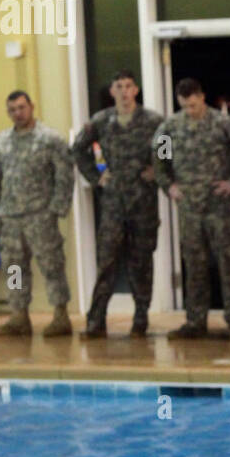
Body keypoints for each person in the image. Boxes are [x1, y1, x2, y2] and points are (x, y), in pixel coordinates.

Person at [152, 78, 230, 339]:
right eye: (185, 106)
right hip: (189, 208)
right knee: (195, 265)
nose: (190, 111)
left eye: (193, 105)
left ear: (201, 97)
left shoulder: (222, 123)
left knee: (228, 263)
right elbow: (159, 159)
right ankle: (195, 321)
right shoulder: (170, 128)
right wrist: (169, 186)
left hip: (218, 207)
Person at [70, 70, 163, 338]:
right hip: (113, 204)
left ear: (136, 90)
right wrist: (96, 176)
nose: (123, 91)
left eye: (128, 86)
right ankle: (96, 319)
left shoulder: (153, 121)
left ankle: (141, 317)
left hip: (143, 203)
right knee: (106, 262)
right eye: (118, 86)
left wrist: (158, 170)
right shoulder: (101, 121)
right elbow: (78, 149)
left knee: (141, 263)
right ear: (112, 92)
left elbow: (168, 146)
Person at [0, 90, 74, 337]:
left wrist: (57, 208)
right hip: (9, 218)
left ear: (31, 106)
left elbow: (64, 175)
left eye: (21, 108)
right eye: (12, 110)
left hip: (40, 215)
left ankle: (61, 315)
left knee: (51, 265)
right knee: (14, 269)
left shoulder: (50, 139)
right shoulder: (0, 141)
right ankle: (19, 316)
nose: (17, 113)